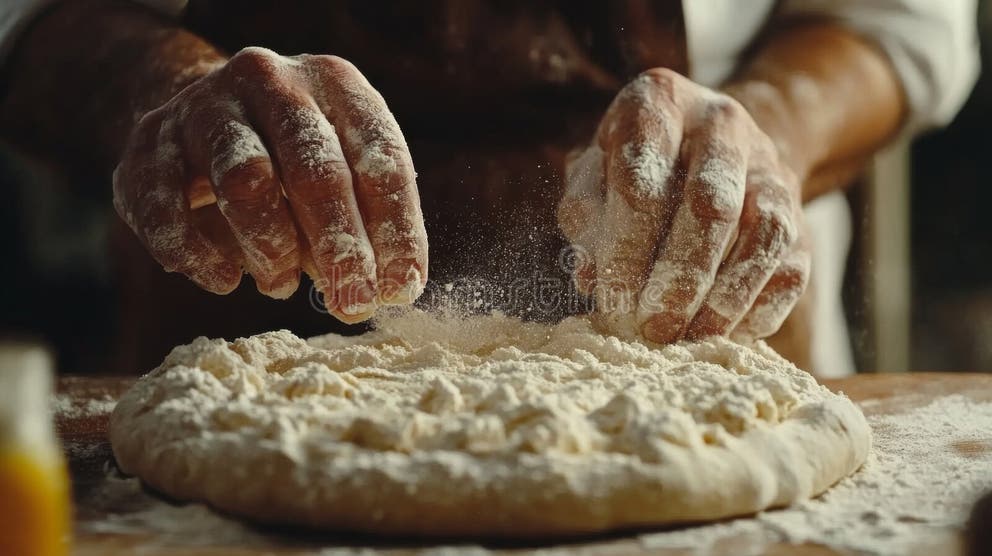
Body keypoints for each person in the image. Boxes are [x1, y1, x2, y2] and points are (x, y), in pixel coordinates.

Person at [0, 1, 979, 376]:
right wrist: (159, 88)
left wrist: (771, 122)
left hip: (696, 328)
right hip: (230, 338)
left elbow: (894, 18)